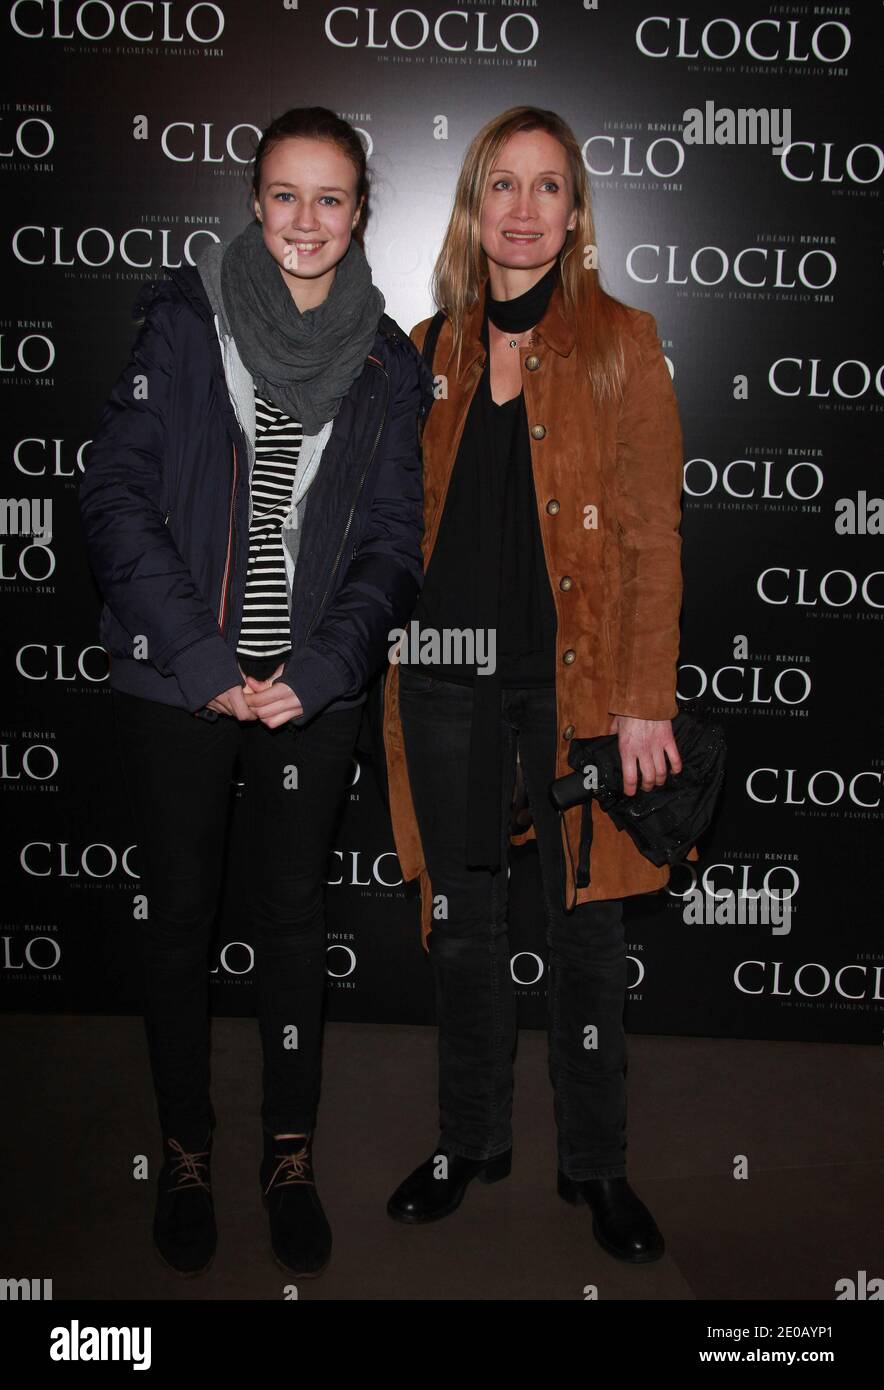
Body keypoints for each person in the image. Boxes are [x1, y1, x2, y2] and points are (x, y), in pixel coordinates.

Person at [79, 106, 428, 1279]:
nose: (304, 221)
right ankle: (185, 1151)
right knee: (177, 925)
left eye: (330, 198)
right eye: (284, 194)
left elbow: (389, 541)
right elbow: (115, 500)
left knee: (290, 927)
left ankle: (288, 1153)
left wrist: (317, 672)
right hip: (178, 684)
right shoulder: (183, 321)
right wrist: (206, 662)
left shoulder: (388, 359)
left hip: (308, 698)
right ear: (252, 200)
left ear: (360, 211)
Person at [382, 105, 693, 1262]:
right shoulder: (424, 350)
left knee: (586, 945)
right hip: (446, 690)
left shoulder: (623, 342)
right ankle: (469, 1142)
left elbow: (654, 537)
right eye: (500, 185)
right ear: (474, 206)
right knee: (460, 931)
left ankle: (595, 1168)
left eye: (546, 186)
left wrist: (643, 698)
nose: (522, 209)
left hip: (575, 696)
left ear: (575, 212)